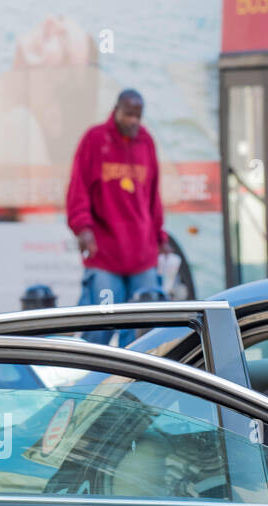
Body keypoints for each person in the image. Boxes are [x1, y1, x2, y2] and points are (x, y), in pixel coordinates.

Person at [66, 89, 175, 345]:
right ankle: (88, 382)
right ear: (116, 110)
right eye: (128, 115)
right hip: (104, 254)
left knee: (143, 332)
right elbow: (78, 189)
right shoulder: (94, 140)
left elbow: (152, 196)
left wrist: (160, 236)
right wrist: (83, 229)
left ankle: (135, 384)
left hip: (143, 255)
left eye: (138, 116)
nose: (133, 121)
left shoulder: (146, 141)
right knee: (100, 327)